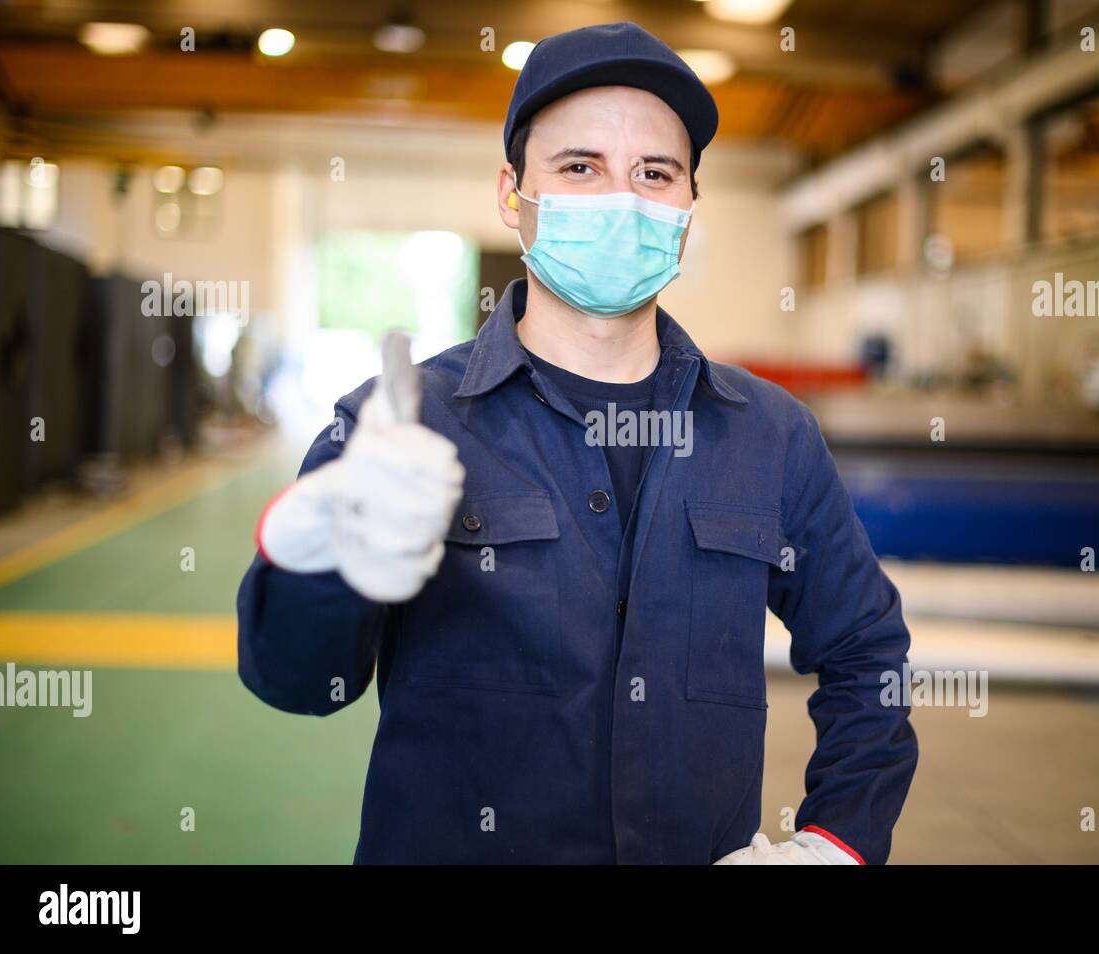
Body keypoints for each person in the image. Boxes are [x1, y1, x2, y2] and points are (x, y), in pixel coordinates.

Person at [238, 21, 917, 865]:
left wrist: (835, 843)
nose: (620, 199)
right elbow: (299, 682)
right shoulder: (402, 423)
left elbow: (868, 654)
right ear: (510, 193)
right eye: (580, 167)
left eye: (654, 174)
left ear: (687, 211)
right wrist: (317, 557)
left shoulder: (771, 436)